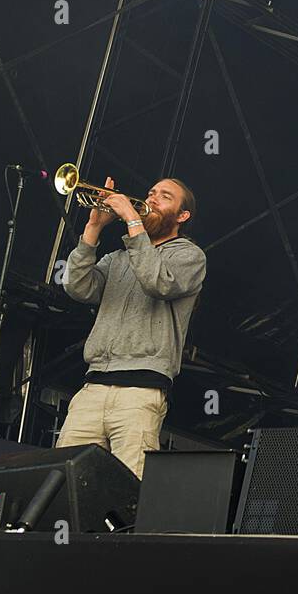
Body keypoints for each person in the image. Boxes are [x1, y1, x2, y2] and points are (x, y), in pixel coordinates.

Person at [58, 175, 206, 477]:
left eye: (165, 196)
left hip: (141, 391)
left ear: (182, 216)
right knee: (64, 481)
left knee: (128, 487)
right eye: (151, 192)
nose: (152, 199)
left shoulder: (190, 256)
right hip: (94, 386)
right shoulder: (118, 258)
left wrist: (130, 219)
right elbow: (77, 287)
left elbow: (158, 282)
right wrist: (93, 228)